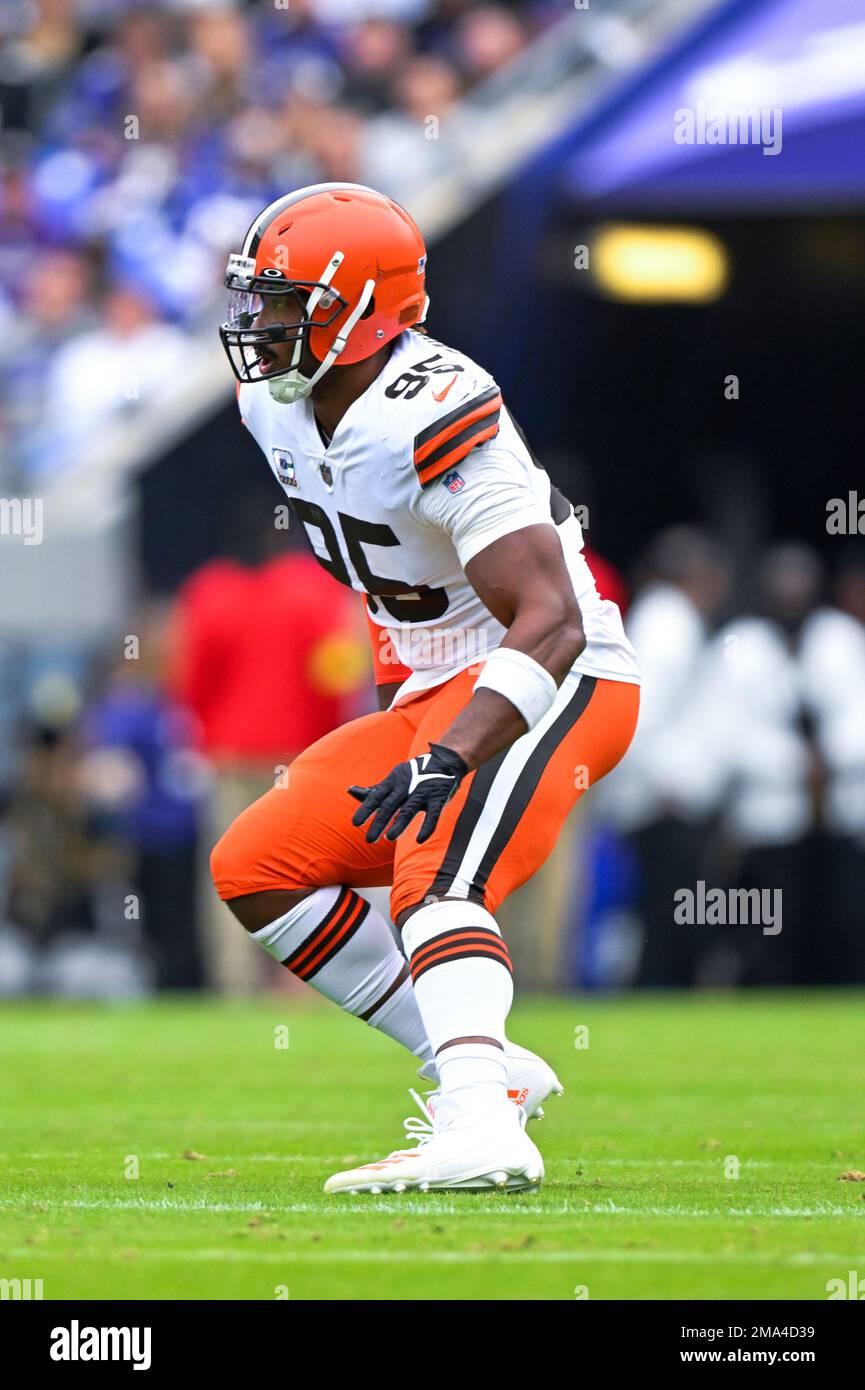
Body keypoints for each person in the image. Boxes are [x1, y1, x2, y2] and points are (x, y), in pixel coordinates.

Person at [210, 182, 640, 1193]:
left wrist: (450, 751)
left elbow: (551, 615)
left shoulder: (441, 408)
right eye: (258, 299)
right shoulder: (268, 405)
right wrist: (417, 714)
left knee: (436, 872)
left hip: (550, 674)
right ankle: (480, 1072)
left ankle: (479, 1124)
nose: (261, 326)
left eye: (286, 302)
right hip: (433, 689)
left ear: (357, 312)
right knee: (256, 863)